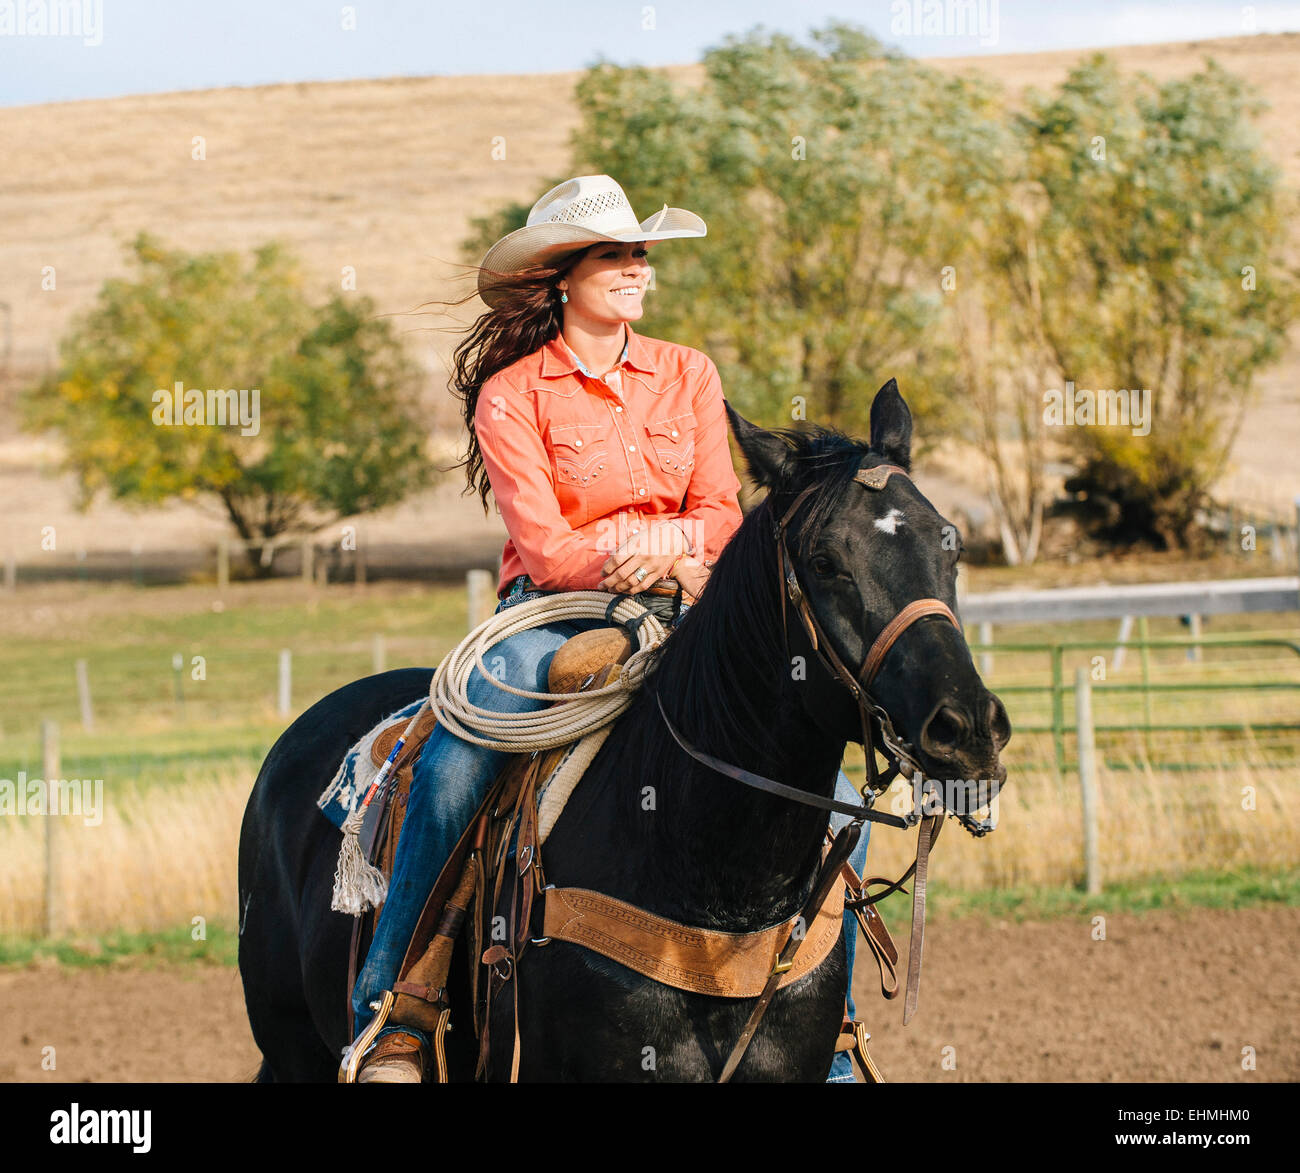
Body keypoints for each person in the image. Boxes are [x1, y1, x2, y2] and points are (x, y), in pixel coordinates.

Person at [349, 175, 869, 1083]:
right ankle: (398, 1006)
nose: (639, 270)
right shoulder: (512, 396)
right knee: (456, 760)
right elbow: (547, 549)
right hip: (553, 619)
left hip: (686, 610)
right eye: (618, 255)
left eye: (643, 255)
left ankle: (828, 1033)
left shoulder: (688, 373)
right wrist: (645, 548)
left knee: (826, 793)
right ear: (563, 276)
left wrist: (657, 551)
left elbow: (719, 513)